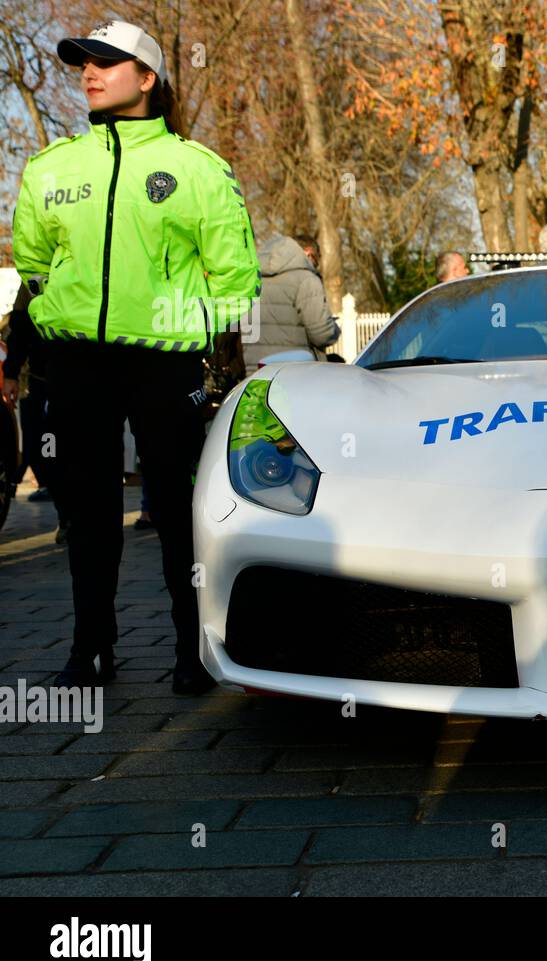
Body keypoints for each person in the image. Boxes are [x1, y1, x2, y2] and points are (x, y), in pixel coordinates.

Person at [12, 20, 261, 692]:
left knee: (177, 512)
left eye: (105, 62)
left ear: (147, 77)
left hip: (163, 366)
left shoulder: (197, 169)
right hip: (74, 366)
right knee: (88, 515)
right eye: (81, 63)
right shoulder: (50, 167)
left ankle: (191, 649)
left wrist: (174, 330)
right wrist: (50, 318)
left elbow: (235, 282)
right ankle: (91, 649)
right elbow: (33, 264)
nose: (88, 72)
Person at [1, 284, 69, 542]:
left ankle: (79, 514)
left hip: (79, 381)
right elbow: (19, 326)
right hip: (41, 383)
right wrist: (11, 373)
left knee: (78, 452)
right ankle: (66, 514)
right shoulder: (33, 277)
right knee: (45, 451)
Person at [241, 232, 339, 371]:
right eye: (316, 260)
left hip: (254, 373)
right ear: (308, 253)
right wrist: (334, 329)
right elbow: (321, 334)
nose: (315, 266)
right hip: (294, 373)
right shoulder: (306, 279)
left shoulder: (249, 280)